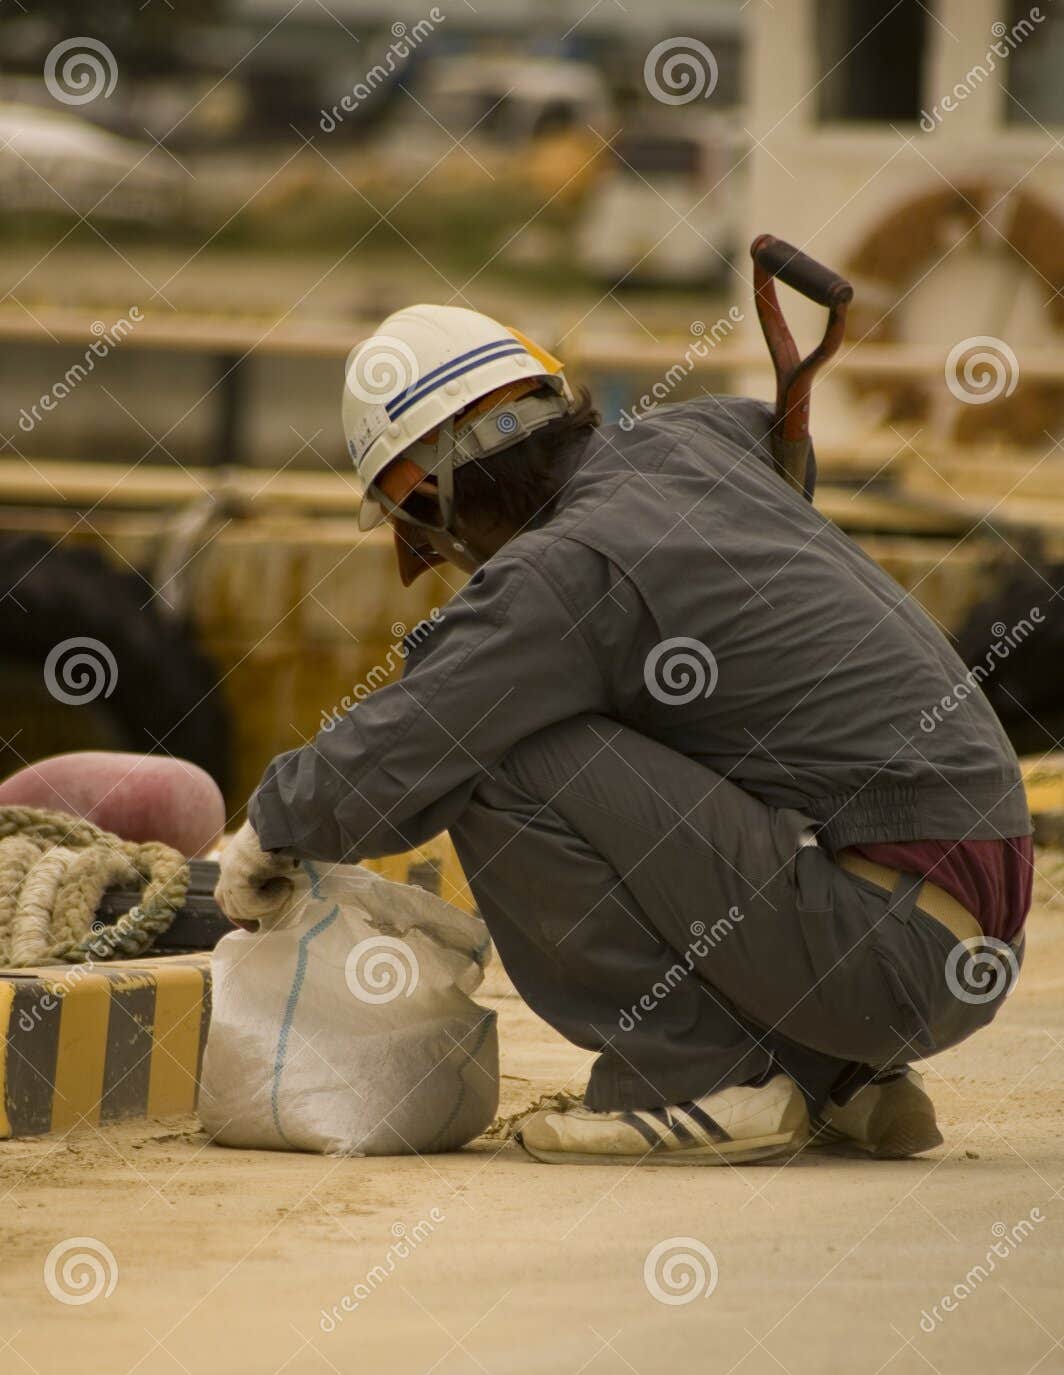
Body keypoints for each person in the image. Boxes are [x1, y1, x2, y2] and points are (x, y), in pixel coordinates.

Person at [216, 304, 1032, 1167]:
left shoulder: (564, 570)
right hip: (968, 935)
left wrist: (266, 835)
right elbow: (764, 431)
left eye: (413, 530)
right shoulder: (698, 444)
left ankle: (700, 1076)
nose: (434, 558)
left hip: (885, 952)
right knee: (657, 717)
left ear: (434, 494)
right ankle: (838, 1077)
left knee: (498, 753)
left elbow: (408, 741)